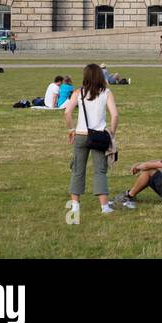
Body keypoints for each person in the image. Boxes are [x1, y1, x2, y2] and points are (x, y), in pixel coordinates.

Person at [65, 64, 120, 215]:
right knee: (100, 171)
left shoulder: (78, 92)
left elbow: (67, 113)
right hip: (99, 135)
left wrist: (71, 129)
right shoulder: (106, 92)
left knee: (77, 169)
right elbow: (114, 115)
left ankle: (75, 205)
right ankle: (104, 207)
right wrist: (112, 133)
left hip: (81, 135)